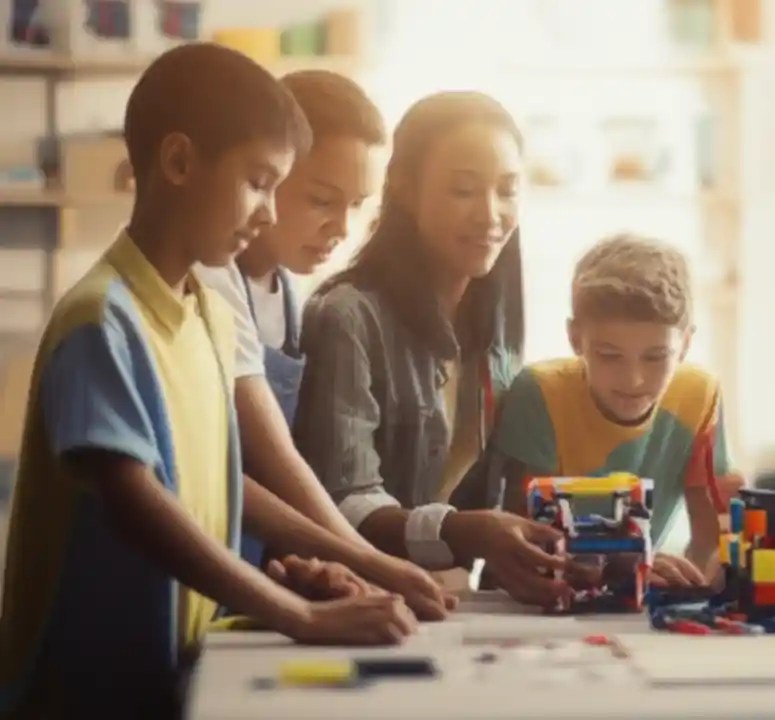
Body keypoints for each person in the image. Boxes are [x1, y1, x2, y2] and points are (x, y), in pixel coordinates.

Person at [0, 45, 415, 718]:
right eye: (258, 182)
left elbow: (225, 486)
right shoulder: (100, 321)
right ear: (179, 162)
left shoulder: (209, 319)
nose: (270, 213)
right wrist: (295, 617)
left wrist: (323, 572)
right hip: (79, 694)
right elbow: (139, 504)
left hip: (170, 677)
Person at [190, 72, 453, 616]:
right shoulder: (210, 280)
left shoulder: (288, 291)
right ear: (269, 175)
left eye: (357, 206)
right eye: (321, 200)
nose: (341, 227)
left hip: (259, 563)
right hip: (202, 559)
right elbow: (268, 458)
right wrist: (368, 561)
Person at [293, 91, 567, 606]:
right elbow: (342, 502)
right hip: (354, 602)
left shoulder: (497, 328)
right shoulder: (346, 317)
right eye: (464, 190)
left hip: (443, 606)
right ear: (404, 188)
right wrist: (460, 531)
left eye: (507, 190)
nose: (491, 214)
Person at [488, 234, 726, 582]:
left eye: (656, 357)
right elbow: (524, 546)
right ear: (574, 338)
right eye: (609, 356)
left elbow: (711, 540)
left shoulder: (700, 395)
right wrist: (626, 566)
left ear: (686, 343)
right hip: (537, 600)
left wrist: (698, 590)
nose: (633, 380)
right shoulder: (540, 392)